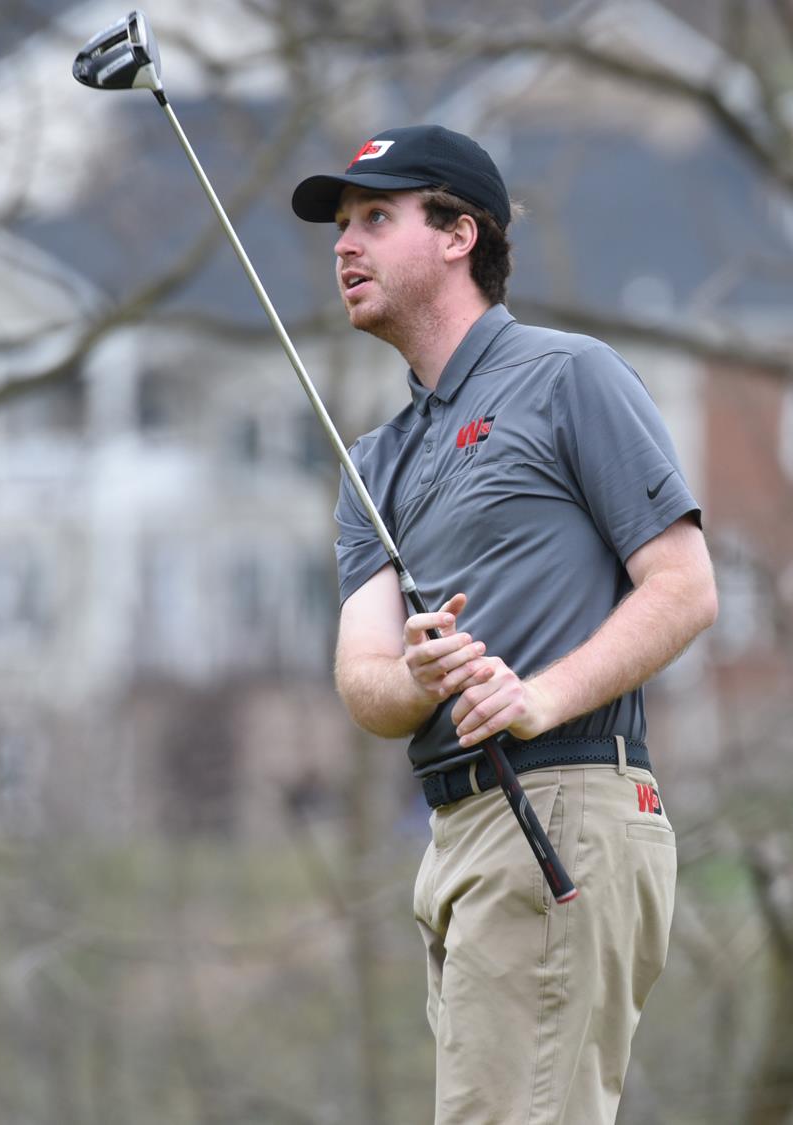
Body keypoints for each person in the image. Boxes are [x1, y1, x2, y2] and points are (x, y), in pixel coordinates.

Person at [292, 124, 718, 1124]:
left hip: (563, 801)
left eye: (375, 218)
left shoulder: (569, 377)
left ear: (456, 234)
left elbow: (683, 586)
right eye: (340, 225)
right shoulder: (374, 464)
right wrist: (419, 675)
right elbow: (365, 682)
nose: (343, 245)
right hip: (457, 838)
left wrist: (537, 696)